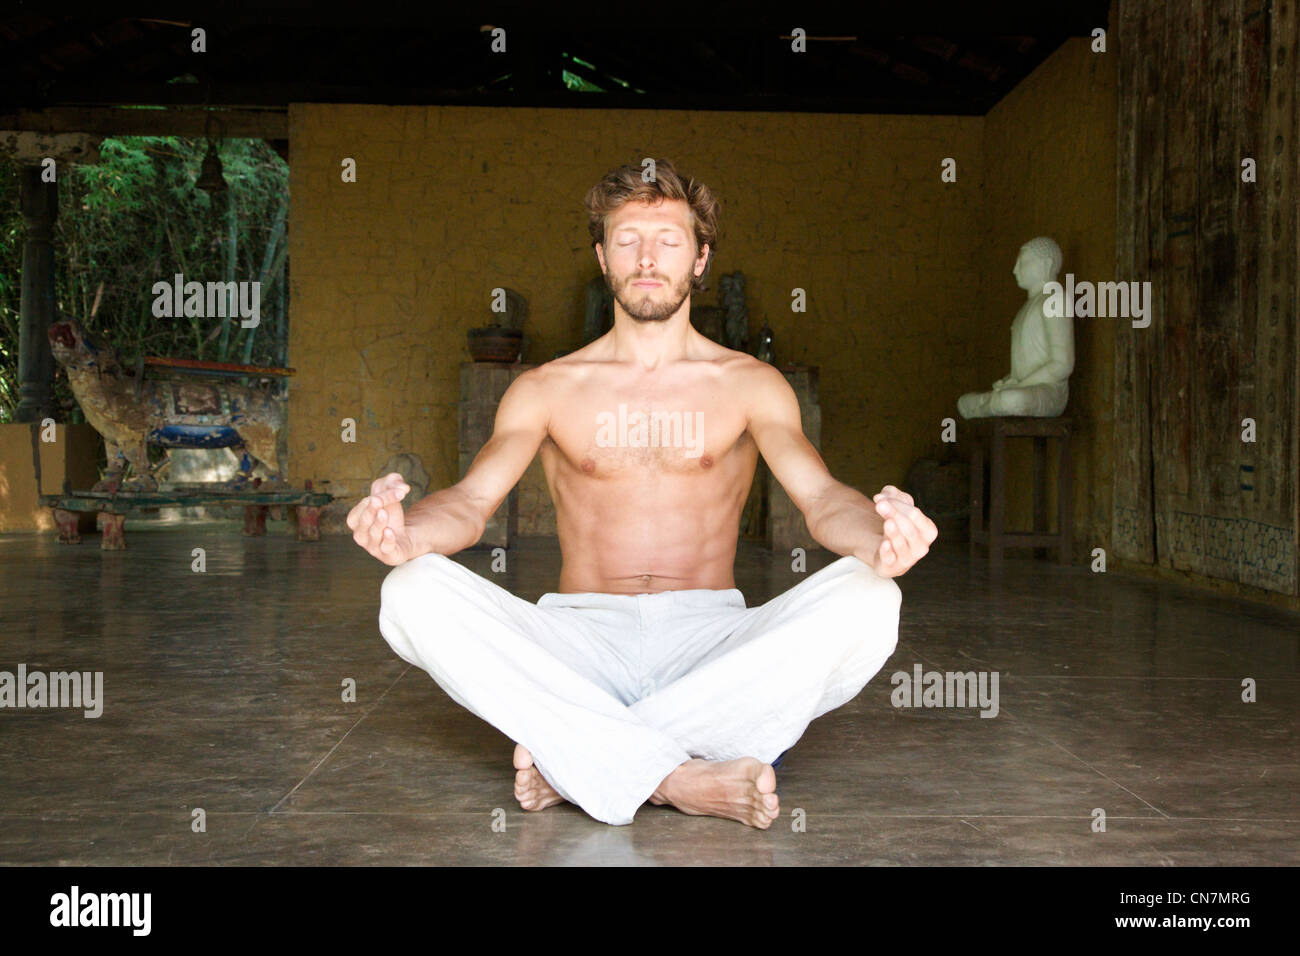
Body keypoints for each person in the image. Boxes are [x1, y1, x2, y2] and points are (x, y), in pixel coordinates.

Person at [349, 159, 938, 828]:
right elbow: (471, 501)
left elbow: (823, 497)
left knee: (871, 599)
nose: (648, 258)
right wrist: (408, 534)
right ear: (603, 257)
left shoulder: (750, 384)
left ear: (700, 256)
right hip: (580, 637)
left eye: (669, 239)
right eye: (628, 239)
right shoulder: (547, 388)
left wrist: (880, 539)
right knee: (409, 593)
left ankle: (582, 761)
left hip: (710, 637)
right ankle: (676, 775)